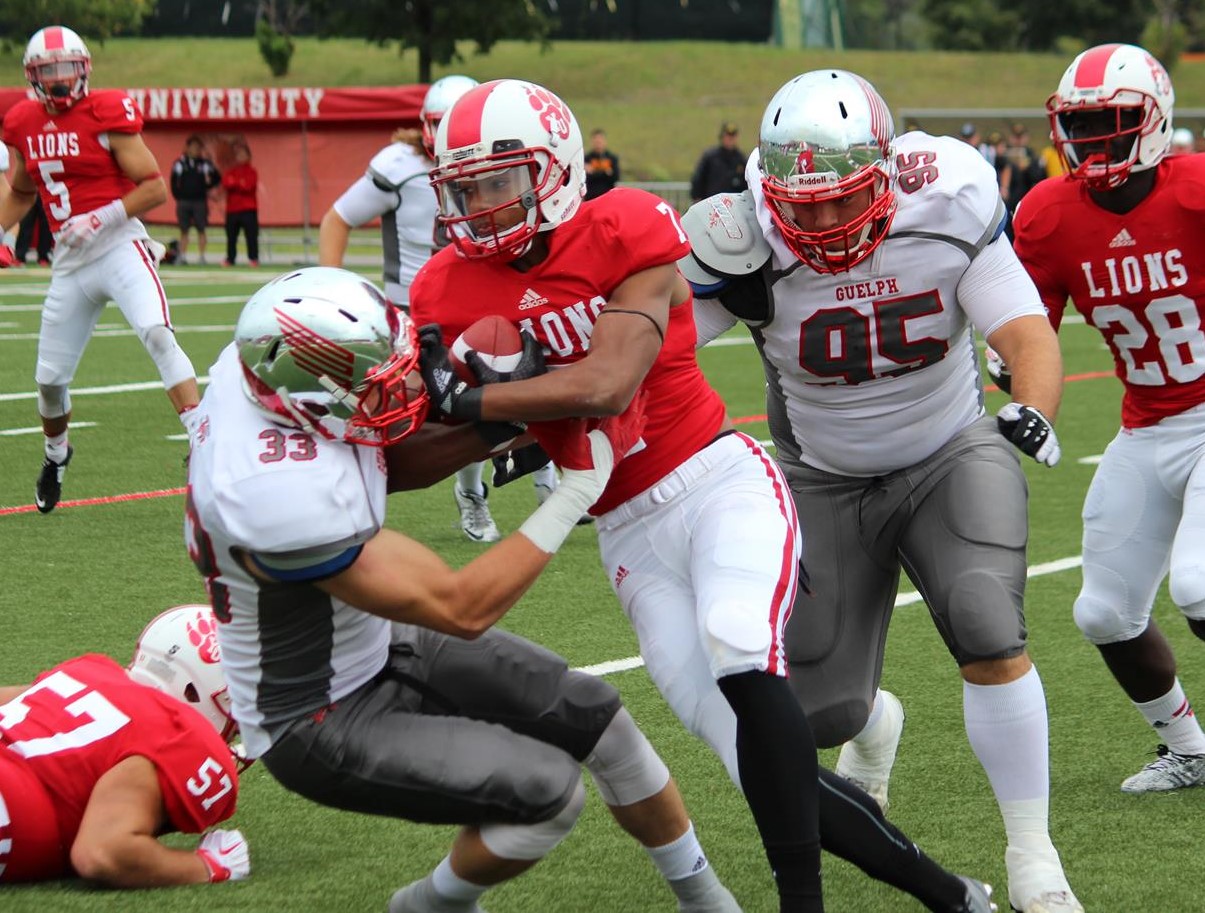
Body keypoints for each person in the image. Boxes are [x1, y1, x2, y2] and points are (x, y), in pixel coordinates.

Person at [412, 78, 996, 913]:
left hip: (716, 481)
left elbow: (611, 383)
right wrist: (417, 413)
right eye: (464, 187)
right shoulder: (444, 285)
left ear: (556, 169)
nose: (480, 203)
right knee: (749, 755)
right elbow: (419, 459)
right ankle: (949, 893)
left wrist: (476, 400)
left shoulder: (625, 224)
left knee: (738, 647)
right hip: (624, 530)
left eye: (497, 180)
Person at [185, 265, 744, 913]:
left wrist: (509, 421)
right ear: (304, 402)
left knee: (600, 718)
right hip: (318, 711)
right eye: (373, 388)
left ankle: (707, 901)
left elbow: (383, 462)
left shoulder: (257, 373)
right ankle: (427, 904)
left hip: (371, 633)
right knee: (547, 794)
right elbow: (461, 606)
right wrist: (576, 491)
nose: (395, 394)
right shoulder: (271, 497)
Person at [679, 70, 1080, 913]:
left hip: (947, 447)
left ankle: (1032, 854)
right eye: (804, 205)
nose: (821, 222)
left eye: (840, 200)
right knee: (816, 716)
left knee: (982, 616)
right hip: (819, 471)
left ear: (886, 172)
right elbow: (657, 345)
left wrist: (1032, 411)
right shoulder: (746, 233)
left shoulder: (947, 196)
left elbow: (1023, 329)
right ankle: (874, 723)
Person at [1011, 43, 1205, 795]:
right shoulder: (1049, 214)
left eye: (1113, 122)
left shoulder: (1193, 191)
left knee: (1196, 586)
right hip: (1147, 423)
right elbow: (1028, 322)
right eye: (1082, 125)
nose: (1093, 141)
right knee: (1102, 611)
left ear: (1153, 121)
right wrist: (1008, 367)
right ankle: (1188, 747)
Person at [318, 73, 558, 544]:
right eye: (438, 123)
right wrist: (332, 285)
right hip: (414, 312)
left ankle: (550, 485)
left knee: (532, 377)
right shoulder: (398, 165)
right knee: (456, 407)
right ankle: (471, 496)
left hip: (482, 295)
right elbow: (339, 217)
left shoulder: (501, 163)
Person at [0, 25, 202, 513]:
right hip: (69, 264)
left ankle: (205, 442)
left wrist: (102, 215)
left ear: (84, 68)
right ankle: (56, 455)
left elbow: (154, 187)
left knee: (157, 332)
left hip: (118, 246)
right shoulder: (22, 120)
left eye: (68, 67)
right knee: (49, 382)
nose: (61, 78)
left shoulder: (106, 110)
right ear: (33, 76)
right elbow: (23, 190)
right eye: (50, 70)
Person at [0, 604, 248, 886]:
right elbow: (102, 853)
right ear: (196, 692)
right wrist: (208, 866)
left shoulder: (86, 670)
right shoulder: (176, 735)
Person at [170, 134, 220, 264]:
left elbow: (217, 177)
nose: (195, 150)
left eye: (198, 147)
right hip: (184, 201)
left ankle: (202, 256)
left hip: (199, 201)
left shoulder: (204, 164)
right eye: (193, 147)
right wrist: (178, 195)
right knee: (184, 230)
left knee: (201, 229)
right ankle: (182, 256)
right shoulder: (180, 163)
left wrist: (207, 186)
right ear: (187, 148)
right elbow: (173, 181)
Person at [221, 142, 259, 267]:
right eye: (238, 154)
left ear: (248, 156)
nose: (241, 157)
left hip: (248, 209)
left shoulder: (252, 172)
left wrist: (236, 183)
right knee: (231, 236)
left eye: (243, 154)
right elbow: (227, 183)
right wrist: (239, 183)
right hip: (232, 209)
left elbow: (248, 187)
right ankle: (230, 259)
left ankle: (253, 258)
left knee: (251, 235)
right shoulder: (230, 171)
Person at [689, 122, 747, 202]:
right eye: (728, 136)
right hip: (711, 203)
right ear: (722, 137)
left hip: (733, 205)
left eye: (733, 136)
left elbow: (746, 183)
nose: (730, 139)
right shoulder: (710, 157)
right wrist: (696, 197)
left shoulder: (741, 160)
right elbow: (698, 178)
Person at [584, 128, 621, 200]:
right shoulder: (586, 159)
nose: (598, 142)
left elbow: (615, 177)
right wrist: (605, 172)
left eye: (600, 140)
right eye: (596, 140)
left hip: (608, 197)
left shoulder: (612, 158)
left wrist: (594, 172)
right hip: (591, 197)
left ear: (604, 141)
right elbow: (585, 178)